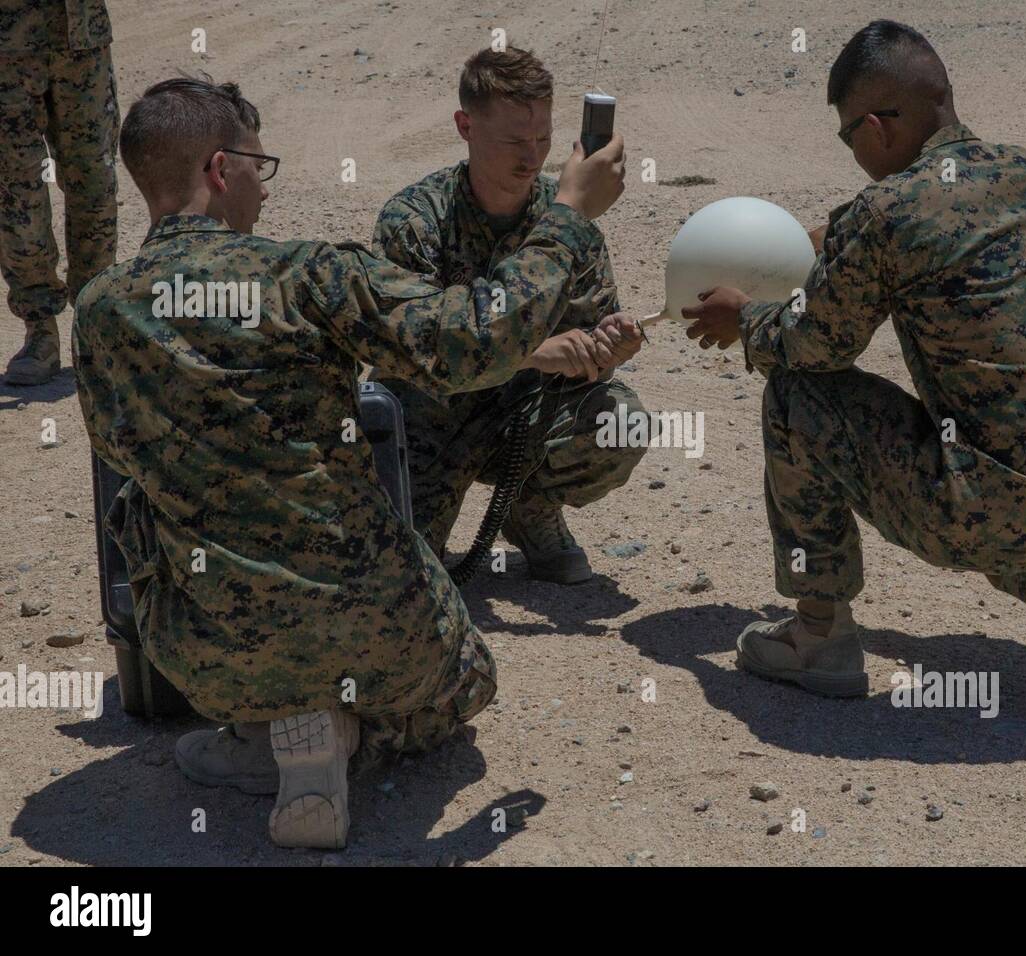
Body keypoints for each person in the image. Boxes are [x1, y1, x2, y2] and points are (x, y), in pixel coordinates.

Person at [72, 75, 627, 848]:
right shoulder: (306, 278)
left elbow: (117, 455)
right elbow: (468, 338)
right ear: (219, 169)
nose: (263, 193)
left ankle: (266, 732)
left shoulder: (99, 310)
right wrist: (566, 216)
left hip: (204, 650)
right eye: (259, 169)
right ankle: (353, 730)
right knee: (465, 684)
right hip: (377, 626)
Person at [683, 20, 1026, 706]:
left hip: (993, 506)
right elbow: (865, 225)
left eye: (847, 136)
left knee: (795, 396)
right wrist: (778, 252)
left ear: (876, 126)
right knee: (1019, 465)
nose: (851, 150)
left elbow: (815, 344)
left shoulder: (890, 211)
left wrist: (744, 320)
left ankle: (819, 637)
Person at [371, 46, 646, 585]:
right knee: (407, 580)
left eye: (543, 140)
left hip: (528, 413)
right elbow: (414, 346)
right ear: (465, 127)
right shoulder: (416, 218)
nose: (532, 157)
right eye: (515, 142)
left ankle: (529, 509)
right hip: (439, 415)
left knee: (622, 422)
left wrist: (606, 343)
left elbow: (590, 325)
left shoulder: (564, 210)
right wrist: (537, 352)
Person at [1, 0, 118, 385]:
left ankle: (94, 323)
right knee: (17, 192)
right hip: (9, 44)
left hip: (82, 36)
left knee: (94, 182)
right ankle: (40, 331)